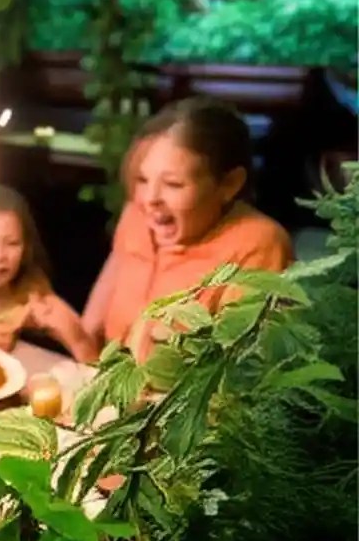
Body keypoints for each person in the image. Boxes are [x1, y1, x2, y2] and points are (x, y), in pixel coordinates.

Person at [82, 96, 294, 361]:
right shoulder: (136, 215)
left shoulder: (260, 244)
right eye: (142, 180)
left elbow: (242, 375)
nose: (150, 199)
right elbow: (90, 328)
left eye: (173, 184)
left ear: (229, 184)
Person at [0, 185, 101, 364]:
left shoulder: (39, 302)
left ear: (26, 247)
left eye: (12, 243)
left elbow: (93, 364)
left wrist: (75, 335)